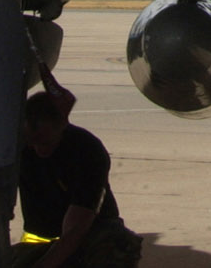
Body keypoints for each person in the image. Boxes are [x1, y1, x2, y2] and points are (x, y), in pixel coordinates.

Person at [14, 68, 141, 268]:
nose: (38, 149)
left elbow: (76, 229)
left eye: (45, 143)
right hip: (41, 238)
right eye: (32, 142)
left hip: (92, 236)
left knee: (117, 246)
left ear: (62, 126)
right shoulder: (17, 147)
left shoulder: (86, 151)